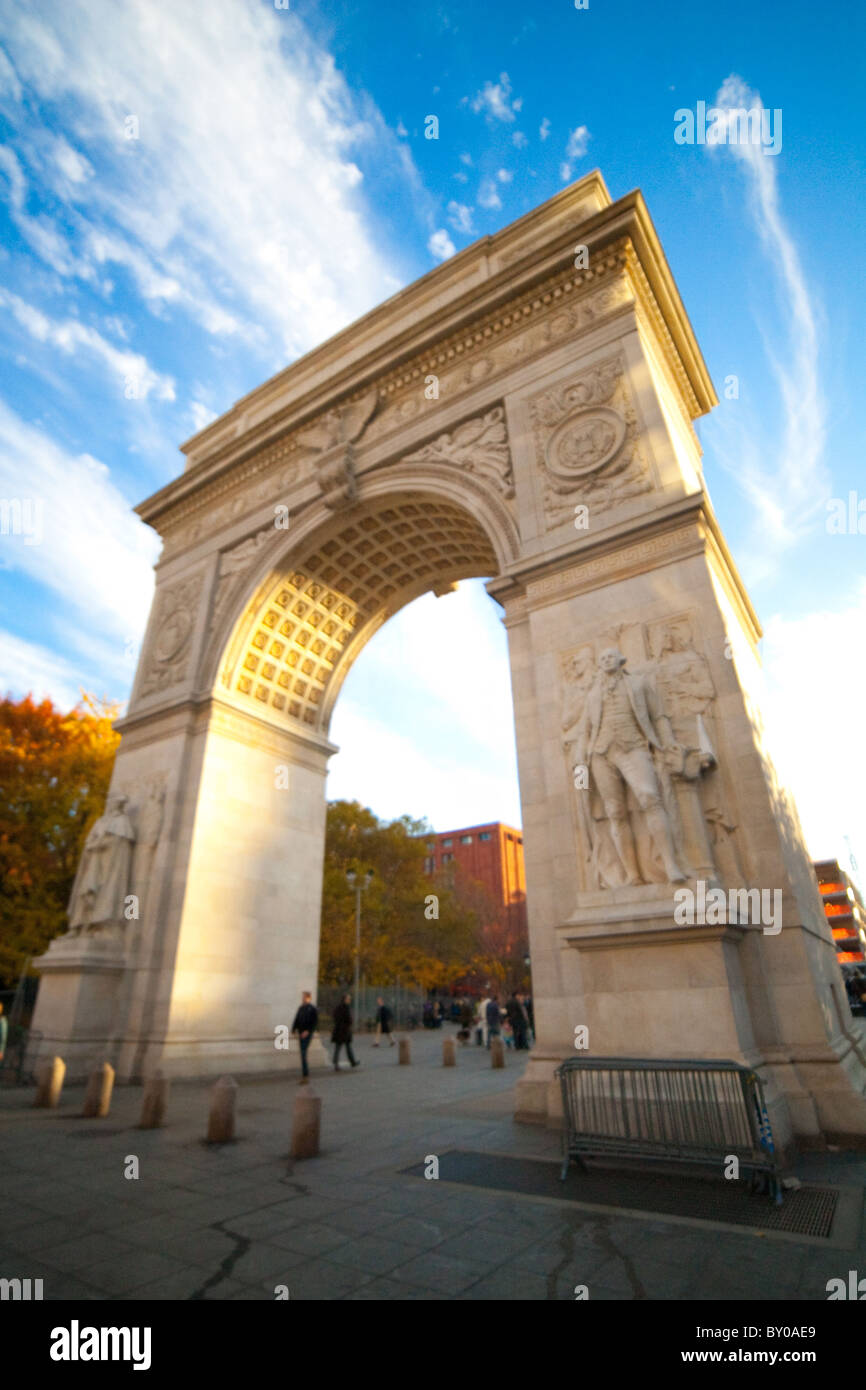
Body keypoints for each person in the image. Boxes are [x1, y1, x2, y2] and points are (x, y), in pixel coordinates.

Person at [291, 991, 318, 1082]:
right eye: (302, 997)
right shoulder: (301, 1008)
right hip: (301, 1032)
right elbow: (297, 1019)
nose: (302, 998)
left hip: (307, 1034)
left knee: (303, 1052)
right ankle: (305, 1073)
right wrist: (294, 1029)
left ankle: (305, 1074)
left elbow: (314, 1023)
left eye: (304, 997)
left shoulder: (312, 1009)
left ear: (308, 998)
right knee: (303, 1053)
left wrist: (308, 1031)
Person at [332, 993, 360, 1070]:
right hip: (344, 1030)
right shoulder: (346, 1008)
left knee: (340, 1047)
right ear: (345, 999)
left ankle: (339, 1063)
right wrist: (349, 1022)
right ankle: (350, 1062)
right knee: (345, 1047)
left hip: (339, 1029)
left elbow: (334, 1016)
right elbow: (349, 1019)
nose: (349, 1000)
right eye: (348, 999)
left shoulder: (338, 1007)